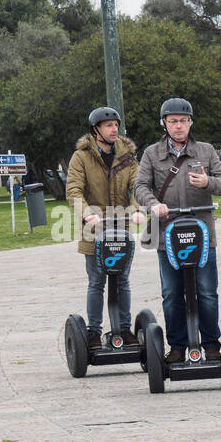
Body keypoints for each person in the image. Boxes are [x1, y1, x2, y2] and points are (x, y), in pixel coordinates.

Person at [134, 98, 221, 363]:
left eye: (183, 121)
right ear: (164, 124)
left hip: (202, 234)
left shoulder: (206, 151)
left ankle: (211, 344)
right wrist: (154, 204)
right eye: (173, 121)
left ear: (190, 123)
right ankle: (177, 347)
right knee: (171, 294)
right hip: (167, 235)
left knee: (207, 292)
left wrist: (207, 182)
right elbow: (140, 187)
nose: (178, 126)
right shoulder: (152, 154)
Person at [66, 106, 142, 351]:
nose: (114, 129)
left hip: (121, 229)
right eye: (109, 125)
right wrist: (88, 214)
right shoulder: (82, 157)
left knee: (122, 281)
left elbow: (138, 185)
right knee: (96, 282)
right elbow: (74, 190)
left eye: (116, 125)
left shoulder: (127, 156)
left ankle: (125, 330)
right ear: (96, 129)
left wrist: (137, 208)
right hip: (94, 230)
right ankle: (94, 333)